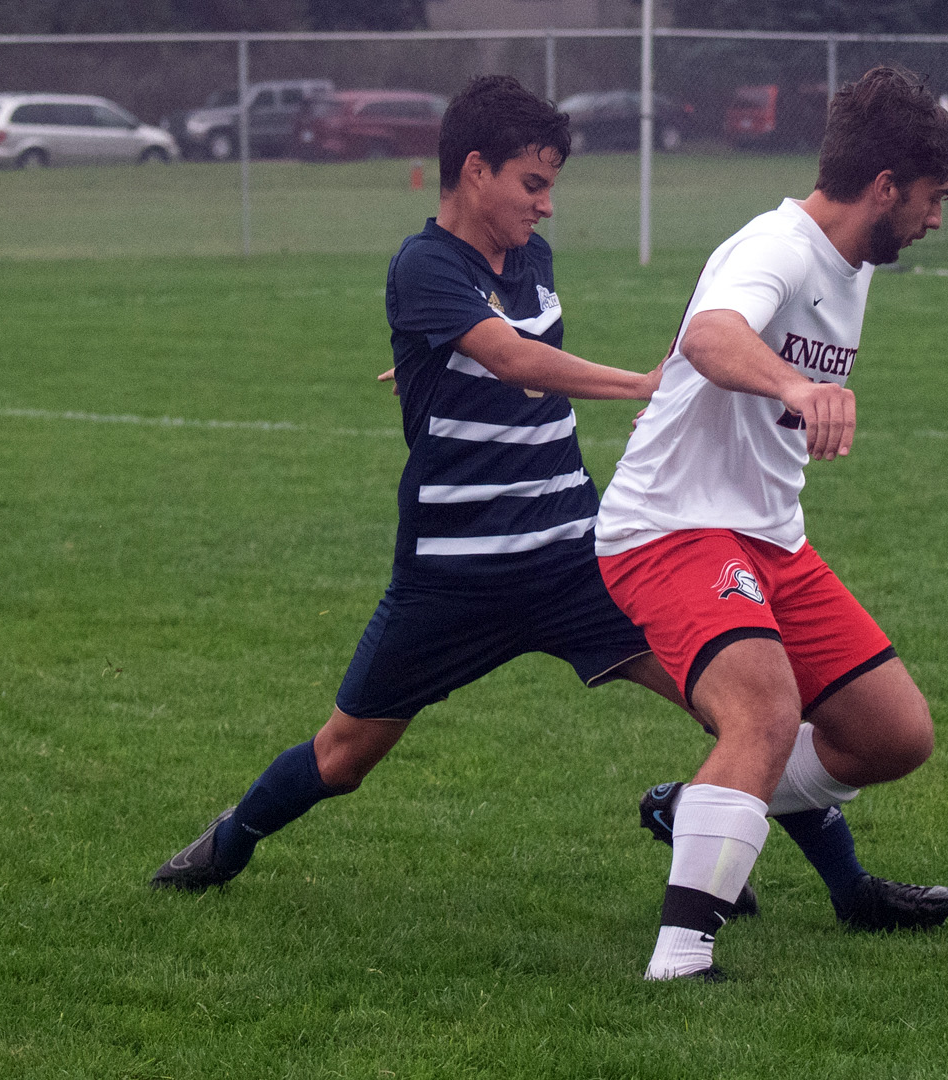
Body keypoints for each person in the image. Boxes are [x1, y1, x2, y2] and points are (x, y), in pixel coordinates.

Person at [149, 75, 684, 891]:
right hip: (452, 577)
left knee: (734, 698)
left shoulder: (531, 256)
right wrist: (639, 384)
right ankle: (230, 841)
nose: (546, 207)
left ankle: (814, 869)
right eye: (532, 185)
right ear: (475, 171)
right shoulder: (424, 263)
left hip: (573, 556)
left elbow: (503, 358)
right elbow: (511, 355)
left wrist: (430, 366)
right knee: (344, 755)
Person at [594, 66, 948, 981]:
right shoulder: (781, 244)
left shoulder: (848, 262)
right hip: (671, 527)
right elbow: (712, 334)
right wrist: (798, 385)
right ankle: (681, 958)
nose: (935, 220)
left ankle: (698, 807)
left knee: (893, 736)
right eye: (933, 198)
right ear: (885, 188)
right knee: (764, 714)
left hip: (769, 535)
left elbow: (701, 339)